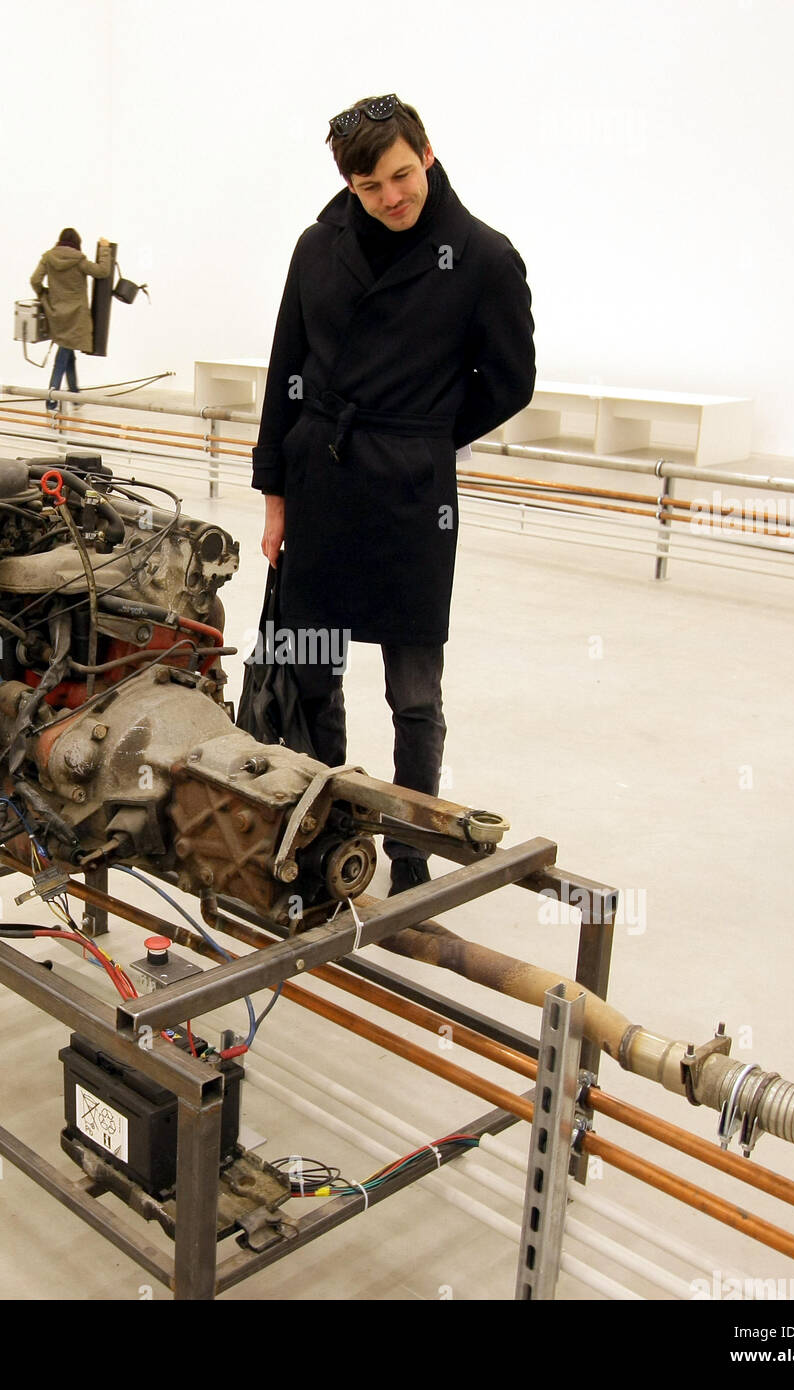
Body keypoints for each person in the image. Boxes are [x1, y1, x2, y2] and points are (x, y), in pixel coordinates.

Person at [251, 94, 535, 895]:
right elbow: (286, 371)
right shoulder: (318, 246)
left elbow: (510, 381)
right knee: (312, 668)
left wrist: (425, 430)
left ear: (427, 154)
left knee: (413, 691)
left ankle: (411, 852)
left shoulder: (480, 255)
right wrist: (274, 496)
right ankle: (320, 830)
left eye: (402, 175)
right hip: (321, 480)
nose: (391, 196)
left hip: (411, 496)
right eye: (370, 185)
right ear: (347, 183)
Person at [30, 228, 112, 411]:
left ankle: (74, 395)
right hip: (76, 317)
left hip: (56, 314)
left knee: (68, 355)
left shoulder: (48, 258)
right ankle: (51, 399)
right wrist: (105, 249)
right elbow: (103, 272)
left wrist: (44, 295)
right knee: (62, 357)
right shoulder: (79, 261)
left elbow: (35, 280)